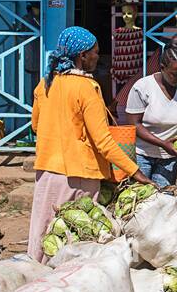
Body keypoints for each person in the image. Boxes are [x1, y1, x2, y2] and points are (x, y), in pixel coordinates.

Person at [29, 26, 153, 262]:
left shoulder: (45, 84)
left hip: (46, 171)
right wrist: (136, 172)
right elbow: (103, 141)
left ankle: (35, 283)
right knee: (75, 242)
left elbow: (36, 126)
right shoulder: (87, 88)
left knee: (43, 235)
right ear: (82, 56)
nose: (98, 56)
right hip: (78, 175)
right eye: (95, 52)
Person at [125, 43, 177, 187]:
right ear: (162, 68)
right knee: (143, 200)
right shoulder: (143, 87)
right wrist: (163, 144)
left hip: (169, 157)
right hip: (142, 155)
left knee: (164, 199)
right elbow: (134, 124)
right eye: (175, 74)